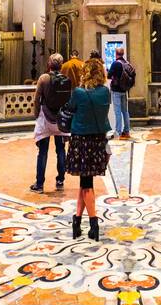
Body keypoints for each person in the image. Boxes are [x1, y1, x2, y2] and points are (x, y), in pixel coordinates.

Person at [64, 63, 112, 240]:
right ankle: (76, 221)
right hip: (98, 140)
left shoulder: (78, 92)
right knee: (85, 183)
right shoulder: (105, 92)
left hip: (81, 140)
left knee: (87, 185)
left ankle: (94, 225)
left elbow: (70, 108)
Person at [29, 54, 70, 193]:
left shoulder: (43, 78)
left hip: (46, 118)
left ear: (49, 64)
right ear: (61, 64)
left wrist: (36, 115)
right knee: (60, 150)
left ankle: (39, 184)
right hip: (60, 119)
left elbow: (37, 98)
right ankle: (60, 180)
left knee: (43, 152)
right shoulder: (66, 79)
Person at [108, 46, 133, 140]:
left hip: (116, 91)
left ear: (116, 54)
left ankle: (118, 132)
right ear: (123, 53)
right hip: (124, 90)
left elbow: (109, 75)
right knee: (125, 111)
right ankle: (126, 131)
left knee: (117, 111)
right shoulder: (127, 63)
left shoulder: (115, 63)